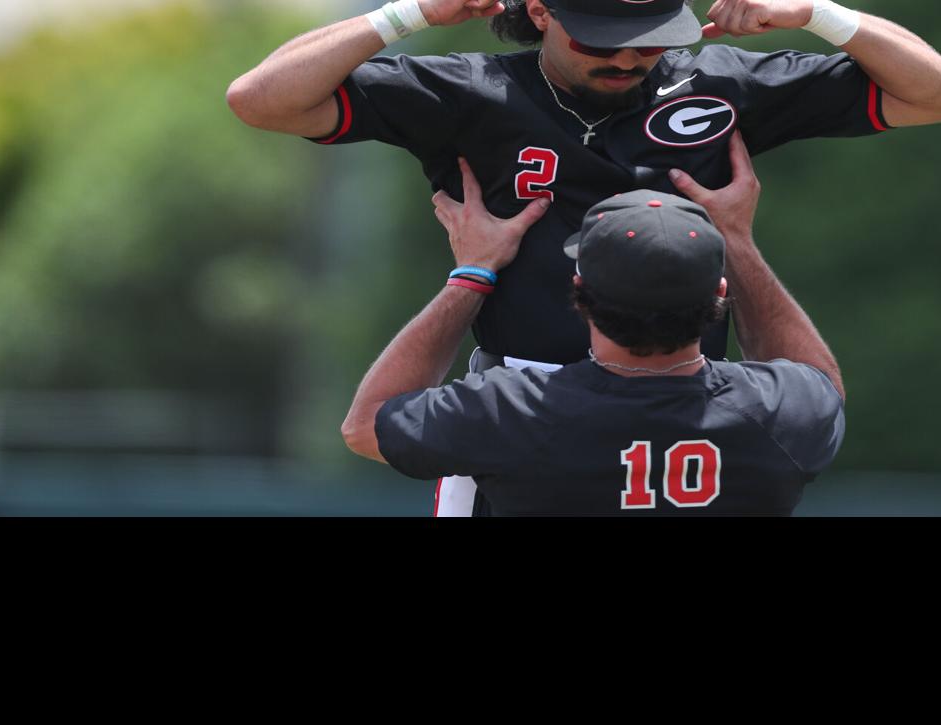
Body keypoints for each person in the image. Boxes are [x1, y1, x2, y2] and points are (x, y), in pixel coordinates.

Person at [229, 0, 941, 512]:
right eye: (601, 34)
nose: (629, 55)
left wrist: (819, 14)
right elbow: (261, 100)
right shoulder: (473, 90)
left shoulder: (718, 82)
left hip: (686, 399)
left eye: (651, 33)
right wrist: (411, 14)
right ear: (542, 11)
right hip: (525, 408)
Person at [340, 132, 845, 515]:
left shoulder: (514, 412)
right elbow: (820, 382)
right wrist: (737, 240)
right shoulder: (778, 413)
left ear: (579, 293)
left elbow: (365, 426)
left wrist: (473, 271)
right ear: (720, 293)